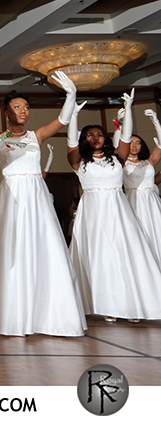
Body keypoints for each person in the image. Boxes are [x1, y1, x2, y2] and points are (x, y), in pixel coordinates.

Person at [0, 76, 87, 337]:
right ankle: (13, 313)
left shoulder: (35, 135)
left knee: (45, 245)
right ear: (6, 112)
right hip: (12, 194)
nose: (23, 111)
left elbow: (61, 121)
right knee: (13, 249)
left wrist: (70, 94)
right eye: (17, 107)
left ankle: (50, 314)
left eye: (26, 107)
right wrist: (1, 143)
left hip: (37, 194)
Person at [67, 91, 161, 322]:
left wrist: (128, 108)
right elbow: (70, 142)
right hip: (93, 213)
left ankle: (133, 305)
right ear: (84, 140)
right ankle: (106, 304)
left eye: (100, 134)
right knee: (101, 257)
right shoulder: (78, 161)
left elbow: (126, 135)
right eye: (90, 135)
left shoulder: (117, 157)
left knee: (125, 255)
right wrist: (73, 117)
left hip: (119, 210)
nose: (96, 137)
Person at [115, 110, 161, 264]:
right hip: (133, 201)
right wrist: (120, 124)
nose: (134, 145)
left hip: (152, 202)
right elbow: (118, 143)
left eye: (138, 142)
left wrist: (155, 122)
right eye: (131, 142)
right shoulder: (120, 163)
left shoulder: (149, 162)